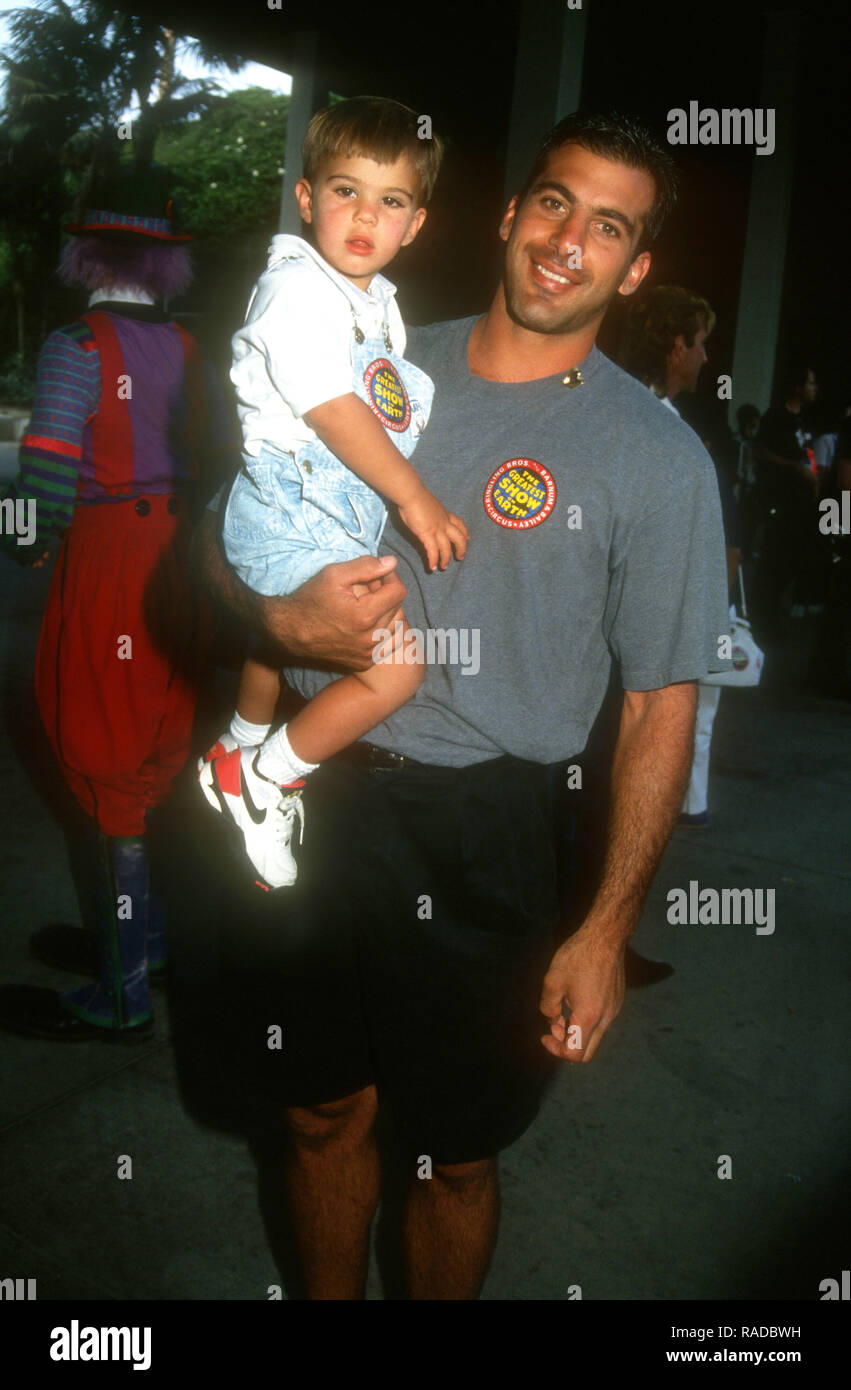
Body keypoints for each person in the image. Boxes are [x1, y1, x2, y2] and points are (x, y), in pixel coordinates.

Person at [194, 110, 731, 1299]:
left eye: (607, 228)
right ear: (504, 214)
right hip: (315, 793)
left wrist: (601, 928)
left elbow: (659, 706)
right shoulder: (369, 351)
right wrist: (275, 622)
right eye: (551, 202)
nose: (565, 242)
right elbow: (223, 542)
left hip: (488, 832)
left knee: (451, 1156)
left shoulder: (655, 458)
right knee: (320, 1112)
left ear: (635, 269)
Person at [198, 97, 468, 890]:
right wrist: (414, 499)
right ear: (307, 198)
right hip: (292, 498)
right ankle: (268, 776)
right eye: (345, 190)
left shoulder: (374, 303)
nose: (365, 215)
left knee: (284, 636)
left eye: (390, 201)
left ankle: (239, 743)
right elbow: (333, 407)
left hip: (327, 505)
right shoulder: (296, 287)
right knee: (396, 668)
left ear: (414, 224)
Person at [0, 168, 232, 1042]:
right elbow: (215, 456)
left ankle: (121, 991)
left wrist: (20, 535)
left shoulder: (76, 346)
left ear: (86, 250)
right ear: (167, 262)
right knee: (158, 748)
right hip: (177, 561)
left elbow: (48, 474)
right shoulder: (189, 350)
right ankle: (153, 940)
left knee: (98, 747)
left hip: (108, 563)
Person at [620, 285, 741, 828]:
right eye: (700, 344)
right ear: (676, 347)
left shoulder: (609, 407)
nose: (706, 358)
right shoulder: (669, 437)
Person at [752, 363, 823, 635]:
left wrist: (812, 477)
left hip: (799, 505)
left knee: (789, 563)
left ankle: (773, 617)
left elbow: (805, 456)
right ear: (797, 387)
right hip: (779, 504)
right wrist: (793, 468)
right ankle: (763, 622)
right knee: (773, 563)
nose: (815, 389)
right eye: (811, 383)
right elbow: (758, 451)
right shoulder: (776, 416)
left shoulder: (800, 420)